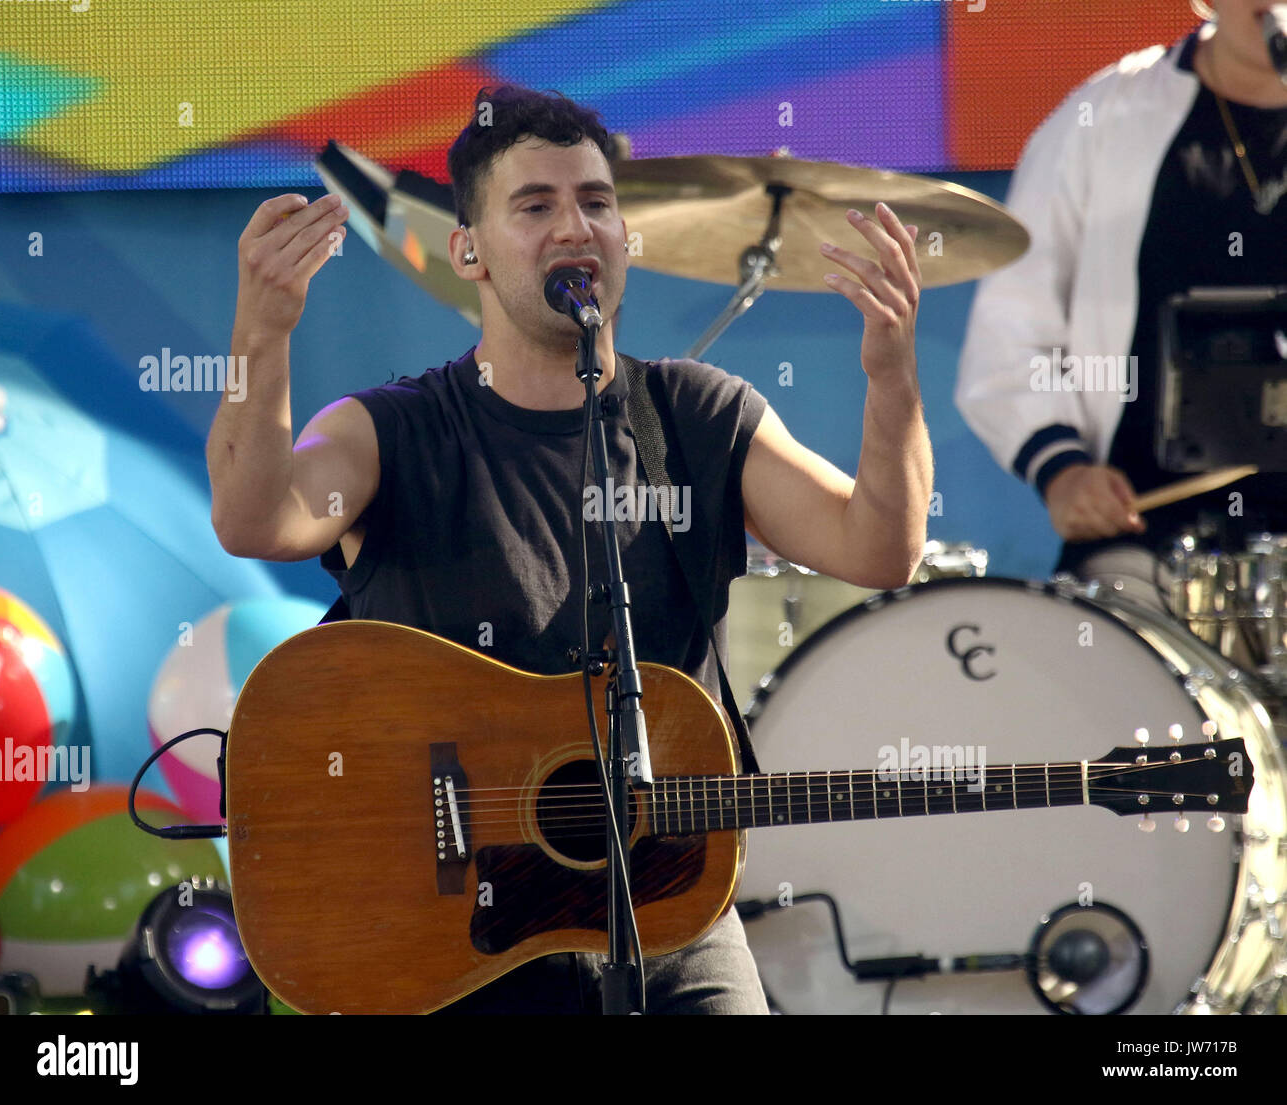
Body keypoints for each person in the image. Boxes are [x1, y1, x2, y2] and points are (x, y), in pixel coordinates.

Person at [207, 84, 932, 1014]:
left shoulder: (695, 415)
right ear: (465, 248)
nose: (575, 227)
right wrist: (260, 335)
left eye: (596, 202)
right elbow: (253, 517)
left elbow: (880, 547)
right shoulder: (392, 431)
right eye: (536, 205)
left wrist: (892, 376)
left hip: (670, 907)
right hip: (447, 932)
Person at [956, 0, 1287, 612]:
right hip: (1146, 530)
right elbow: (1012, 324)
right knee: (1109, 656)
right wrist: (1061, 468)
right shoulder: (1102, 116)